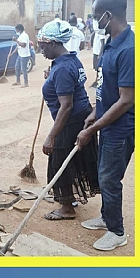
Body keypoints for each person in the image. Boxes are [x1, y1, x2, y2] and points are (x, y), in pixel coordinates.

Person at [76, 0, 134, 251]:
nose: (93, 21)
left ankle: (117, 231)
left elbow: (126, 100)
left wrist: (93, 128)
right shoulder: (110, 44)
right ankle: (106, 216)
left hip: (120, 129)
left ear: (108, 15)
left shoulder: (129, 50)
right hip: (106, 124)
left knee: (110, 179)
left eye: (95, 16)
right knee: (104, 174)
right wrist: (94, 113)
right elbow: (105, 89)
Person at [36, 20, 100, 221]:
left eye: (43, 46)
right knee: (71, 160)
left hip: (70, 121)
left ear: (54, 43)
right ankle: (70, 199)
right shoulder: (70, 60)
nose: (41, 50)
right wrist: (51, 76)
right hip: (81, 117)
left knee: (59, 160)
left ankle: (66, 208)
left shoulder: (63, 68)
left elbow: (66, 106)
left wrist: (51, 137)